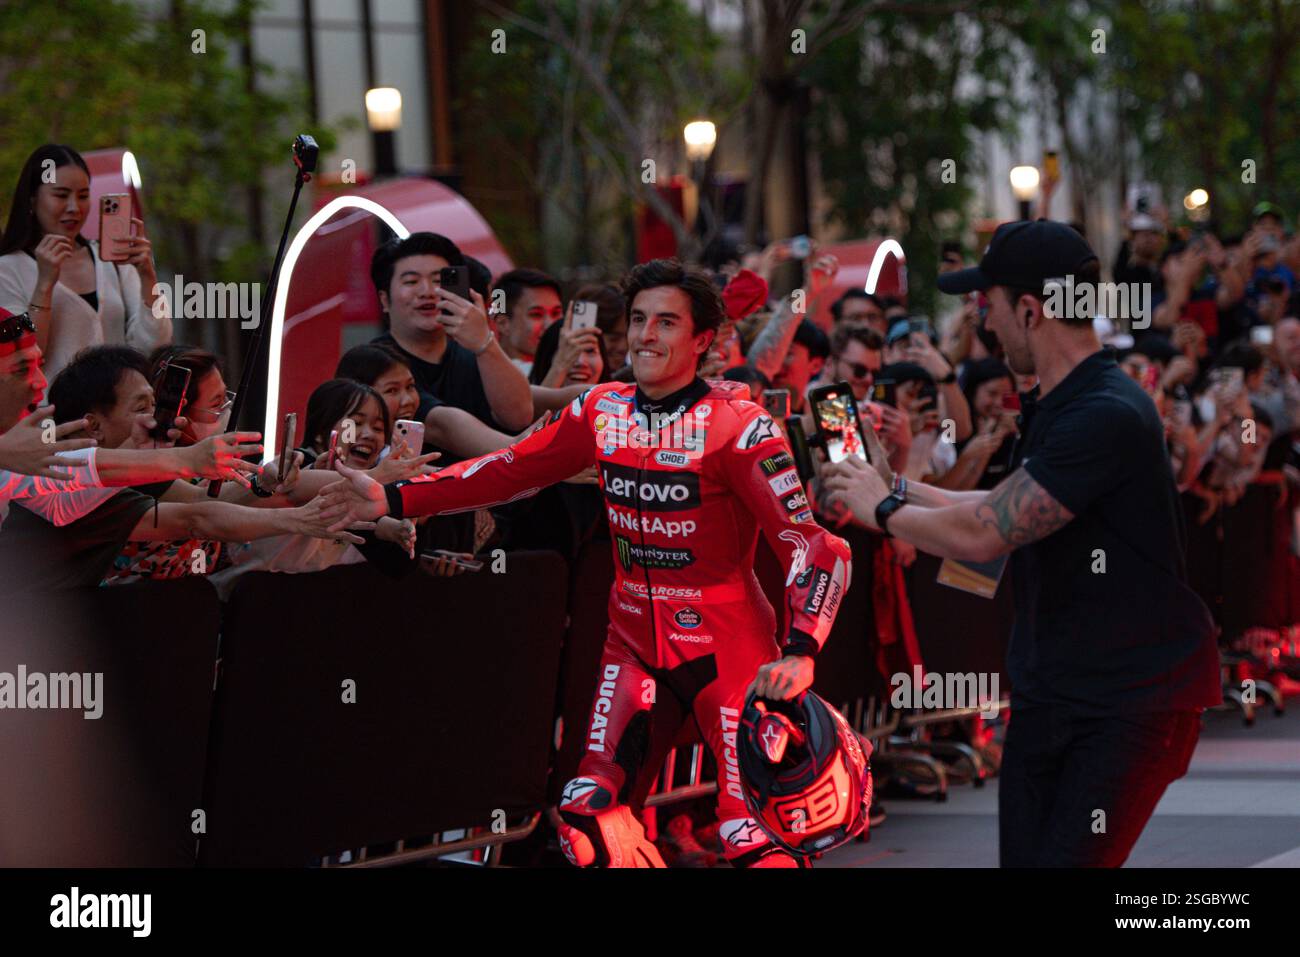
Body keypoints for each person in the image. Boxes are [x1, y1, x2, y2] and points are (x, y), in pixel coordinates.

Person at [322, 258, 852, 868]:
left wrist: (801, 651)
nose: (647, 335)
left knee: (752, 834)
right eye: (639, 321)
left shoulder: (740, 426)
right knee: (587, 817)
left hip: (730, 651)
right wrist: (392, 496)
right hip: (632, 644)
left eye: (667, 323)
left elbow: (813, 543)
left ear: (703, 340)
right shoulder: (603, 411)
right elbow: (512, 469)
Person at [821, 220, 1220, 867]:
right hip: (1056, 691)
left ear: (1030, 311)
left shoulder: (1105, 412)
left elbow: (988, 532)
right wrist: (887, 486)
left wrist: (886, 508)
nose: (984, 322)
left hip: (1128, 703)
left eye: (989, 304)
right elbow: (999, 506)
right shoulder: (1062, 403)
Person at [0, 144, 172, 380]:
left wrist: (148, 277)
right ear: (32, 200)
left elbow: (156, 345)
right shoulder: (8, 269)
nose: (74, 208)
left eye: (83, 195)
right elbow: (27, 357)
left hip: (119, 413)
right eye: (61, 195)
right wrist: (44, 285)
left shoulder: (113, 261)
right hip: (53, 415)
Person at [368, 232, 533, 444]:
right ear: (384, 299)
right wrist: (521, 451)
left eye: (438, 280)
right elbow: (442, 425)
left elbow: (519, 417)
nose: (427, 291)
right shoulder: (372, 362)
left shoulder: (478, 355)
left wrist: (484, 342)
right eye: (411, 281)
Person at [491, 268, 564, 376]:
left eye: (556, 313)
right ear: (503, 324)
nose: (550, 325)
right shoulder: (485, 377)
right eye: (536, 314)